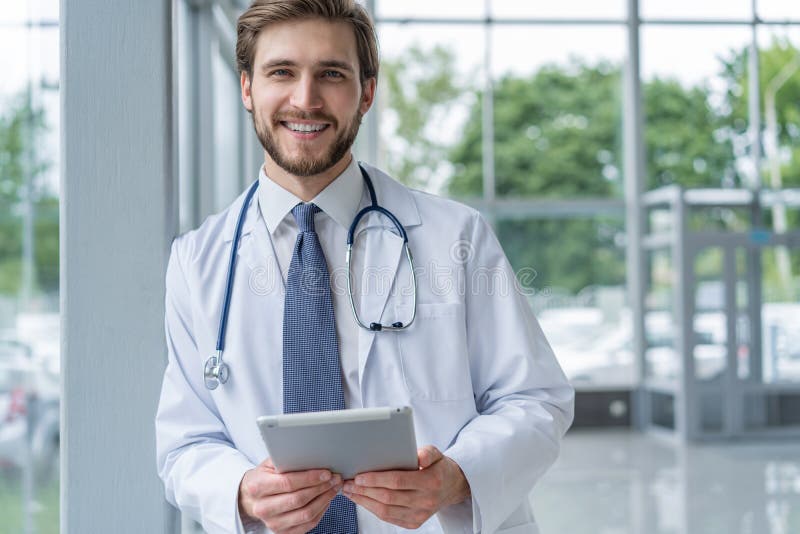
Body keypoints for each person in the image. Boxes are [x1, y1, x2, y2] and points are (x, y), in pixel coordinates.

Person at [155, 1, 574, 533]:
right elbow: (184, 442)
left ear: (366, 93)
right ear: (246, 89)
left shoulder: (455, 237)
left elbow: (535, 399)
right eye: (281, 72)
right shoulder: (196, 261)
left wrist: (459, 476)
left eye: (331, 74)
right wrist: (240, 489)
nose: (305, 99)